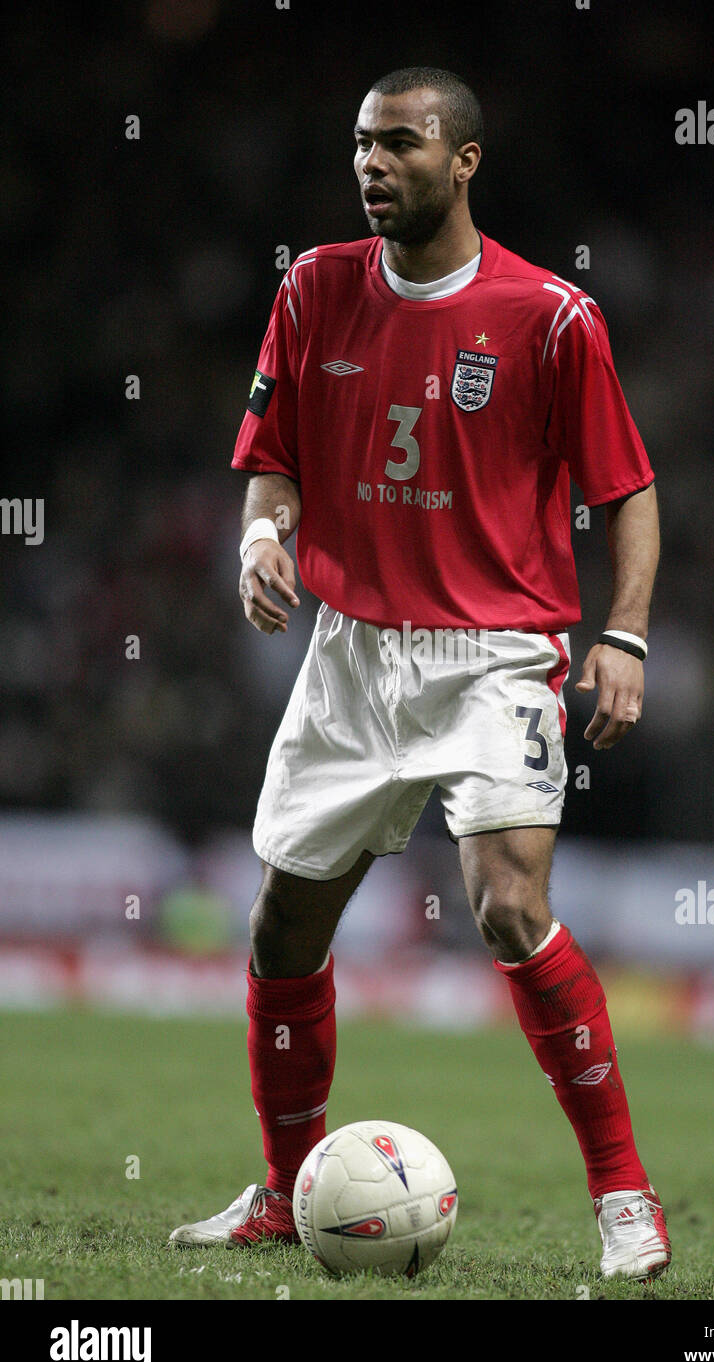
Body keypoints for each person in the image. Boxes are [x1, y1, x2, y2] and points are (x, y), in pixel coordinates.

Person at [170, 66, 670, 1281]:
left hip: (492, 653)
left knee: (506, 900)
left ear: (465, 161)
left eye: (399, 144)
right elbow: (272, 457)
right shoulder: (313, 288)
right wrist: (261, 537)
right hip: (350, 654)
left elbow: (626, 493)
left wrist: (624, 634)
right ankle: (289, 1194)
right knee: (283, 926)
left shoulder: (550, 316)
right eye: (360, 144)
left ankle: (622, 1197)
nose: (372, 165)